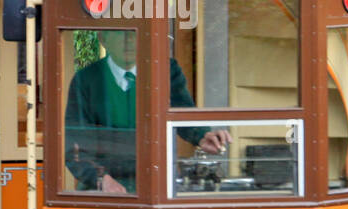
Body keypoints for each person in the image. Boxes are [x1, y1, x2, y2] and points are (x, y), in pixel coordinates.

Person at [64, 29, 231, 194]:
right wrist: (100, 179)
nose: (129, 40)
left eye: (135, 33)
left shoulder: (167, 70)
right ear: (103, 39)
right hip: (105, 190)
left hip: (157, 185)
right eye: (121, 33)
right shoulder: (85, 79)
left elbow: (181, 113)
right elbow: (73, 145)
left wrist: (202, 136)